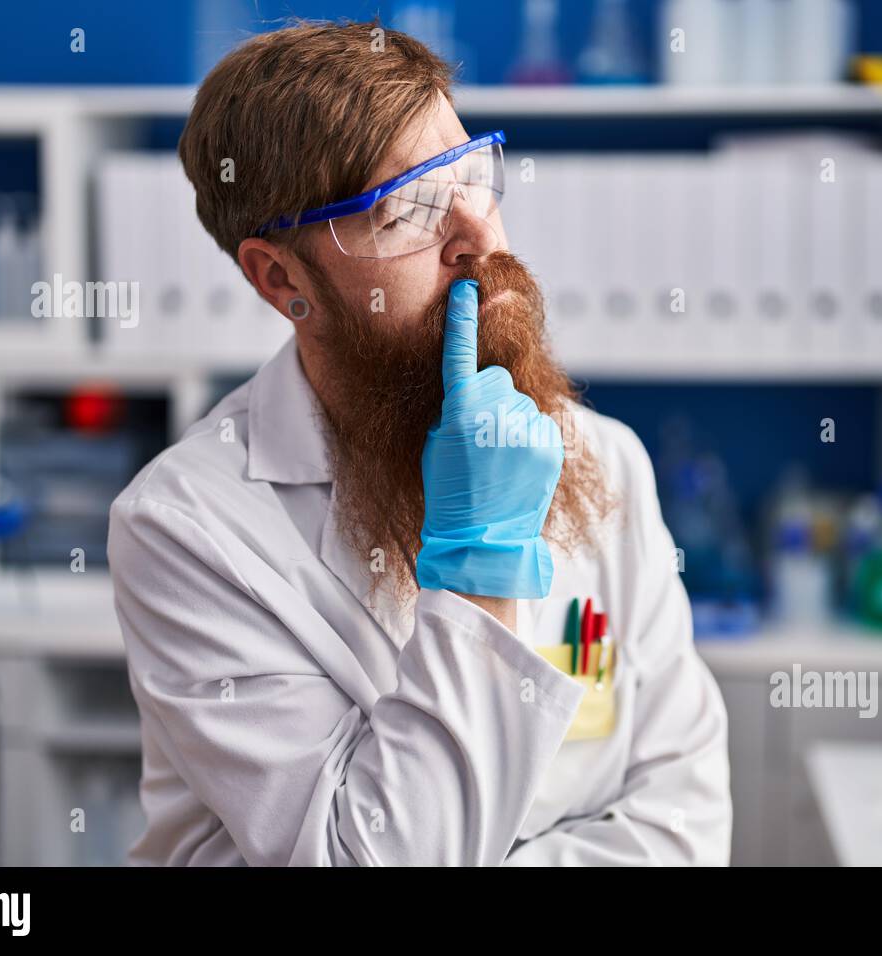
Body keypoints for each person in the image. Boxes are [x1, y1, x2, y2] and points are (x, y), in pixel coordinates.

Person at [108, 19, 731, 866]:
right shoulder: (185, 530)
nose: (479, 235)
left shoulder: (609, 460)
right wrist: (482, 568)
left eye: (474, 174)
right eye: (409, 207)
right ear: (282, 280)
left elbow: (683, 825)